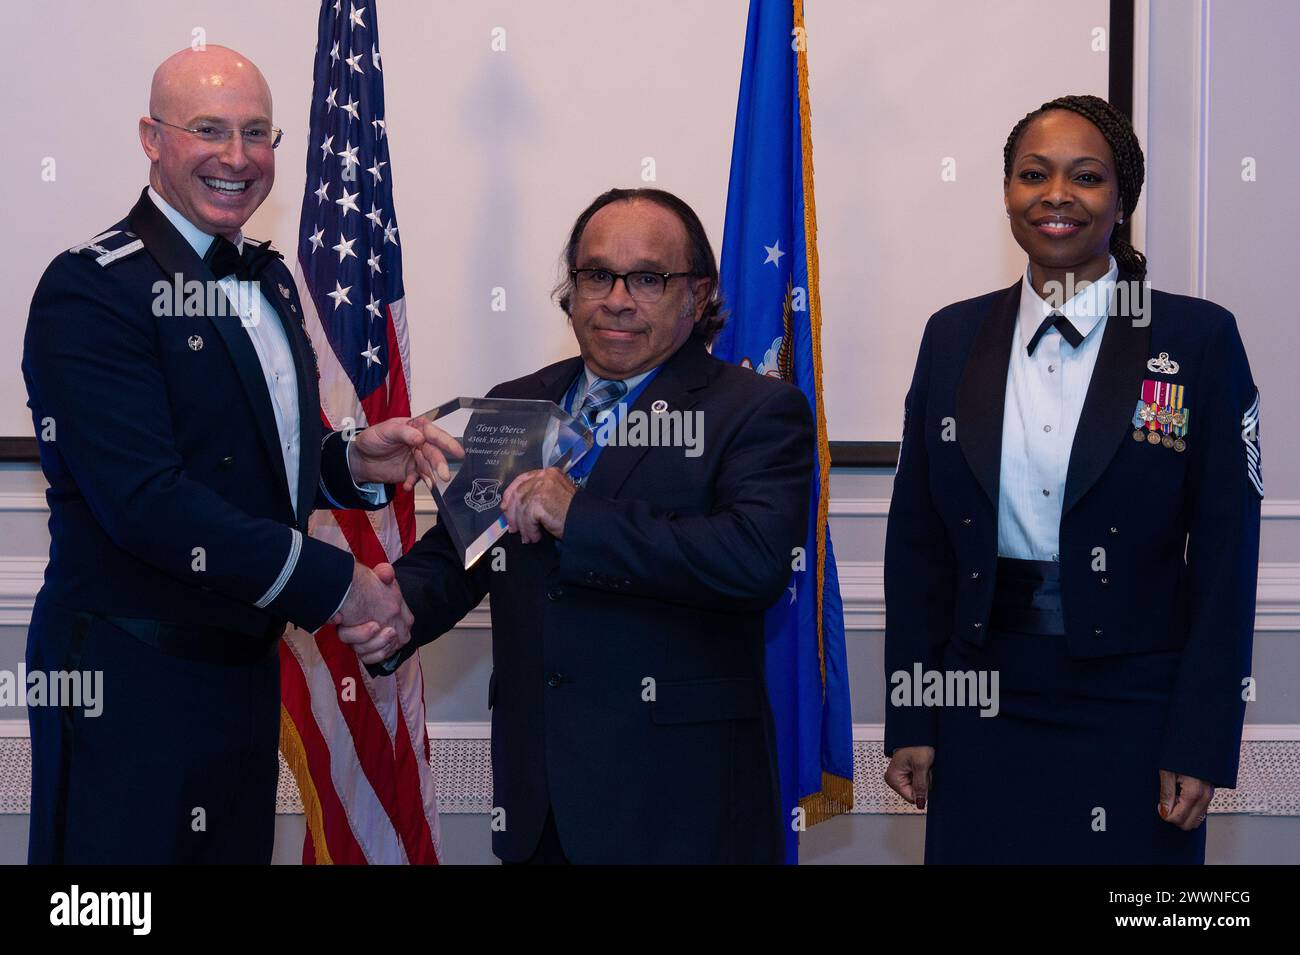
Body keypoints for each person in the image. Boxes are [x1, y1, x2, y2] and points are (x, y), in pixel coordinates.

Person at [21, 46, 456, 864]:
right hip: (132, 672)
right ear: (152, 138)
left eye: (257, 133)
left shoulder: (271, 277)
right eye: (208, 130)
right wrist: (343, 586)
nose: (238, 157)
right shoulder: (90, 289)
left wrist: (354, 462)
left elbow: (253, 455)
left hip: (244, 670)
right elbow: (150, 502)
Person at [345, 188, 814, 863]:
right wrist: (395, 606)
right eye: (596, 274)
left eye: (647, 278)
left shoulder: (755, 410)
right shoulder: (517, 401)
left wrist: (580, 516)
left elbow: (753, 559)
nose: (616, 298)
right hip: (541, 805)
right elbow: (462, 550)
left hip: (684, 808)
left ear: (698, 293)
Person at [882, 94, 1261, 864]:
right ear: (1008, 195)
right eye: (1033, 174)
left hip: (1137, 708)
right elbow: (917, 542)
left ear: (1122, 199)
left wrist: (1201, 736)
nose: (1056, 194)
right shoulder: (952, 334)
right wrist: (914, 712)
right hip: (979, 701)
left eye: (1085, 176)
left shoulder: (1197, 337)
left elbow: (1227, 554)